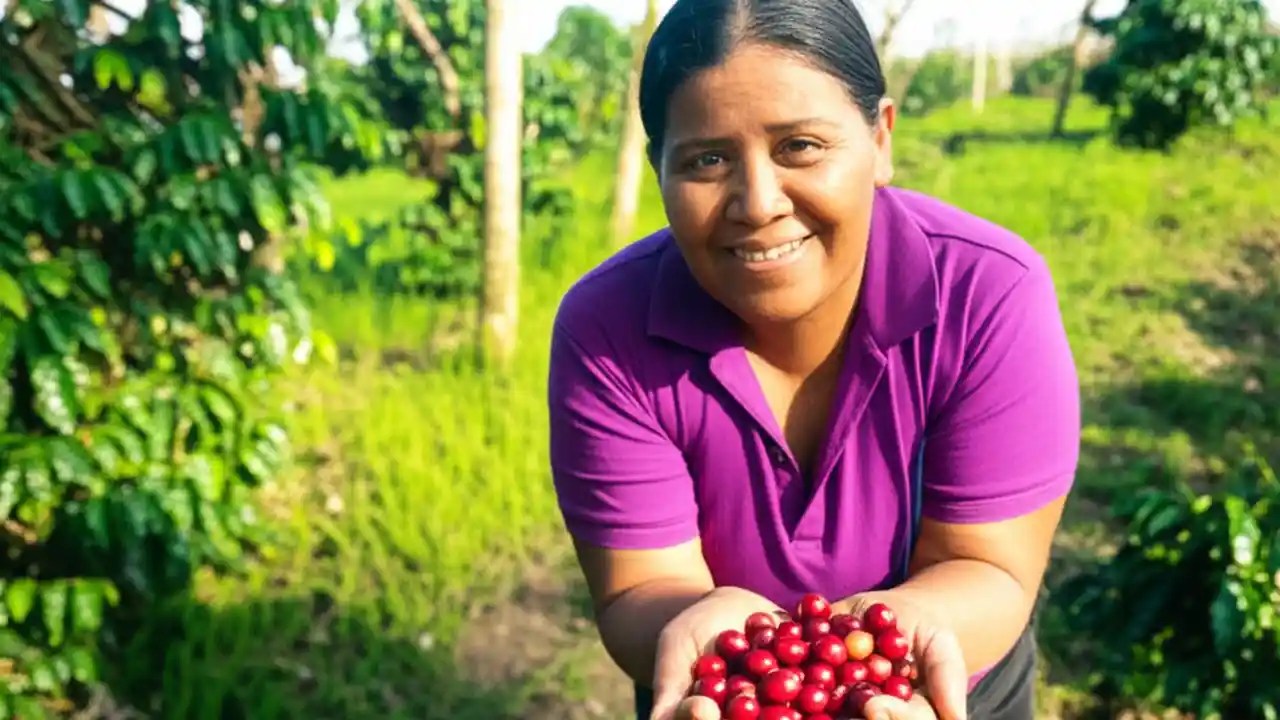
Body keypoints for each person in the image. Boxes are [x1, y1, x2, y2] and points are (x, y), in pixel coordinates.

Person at [545, 0, 1081, 718]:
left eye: (799, 146)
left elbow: (987, 565)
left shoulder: (987, 296)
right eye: (707, 160)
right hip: (718, 696)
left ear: (881, 138)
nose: (757, 203)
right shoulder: (607, 330)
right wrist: (709, 637)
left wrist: (895, 651)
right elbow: (639, 588)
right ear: (659, 171)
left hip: (946, 689)